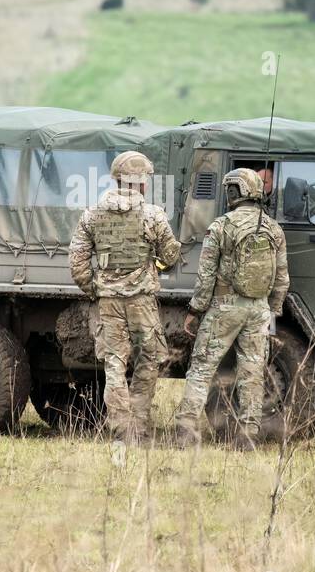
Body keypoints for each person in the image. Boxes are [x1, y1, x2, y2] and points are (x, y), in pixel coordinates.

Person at [68, 151, 181, 443]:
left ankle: (120, 430)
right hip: (142, 302)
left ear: (117, 178)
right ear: (142, 182)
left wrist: (96, 288)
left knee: (114, 364)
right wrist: (153, 264)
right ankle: (140, 428)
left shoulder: (92, 214)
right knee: (148, 360)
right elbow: (170, 254)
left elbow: (78, 262)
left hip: (109, 303)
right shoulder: (153, 215)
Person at [175, 168, 289, 450]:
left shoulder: (221, 226)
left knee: (202, 367)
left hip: (224, 307)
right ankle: (248, 435)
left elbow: (206, 276)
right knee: (252, 372)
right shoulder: (274, 229)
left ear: (235, 192)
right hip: (258, 309)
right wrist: (271, 311)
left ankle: (187, 430)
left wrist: (195, 311)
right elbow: (282, 279)